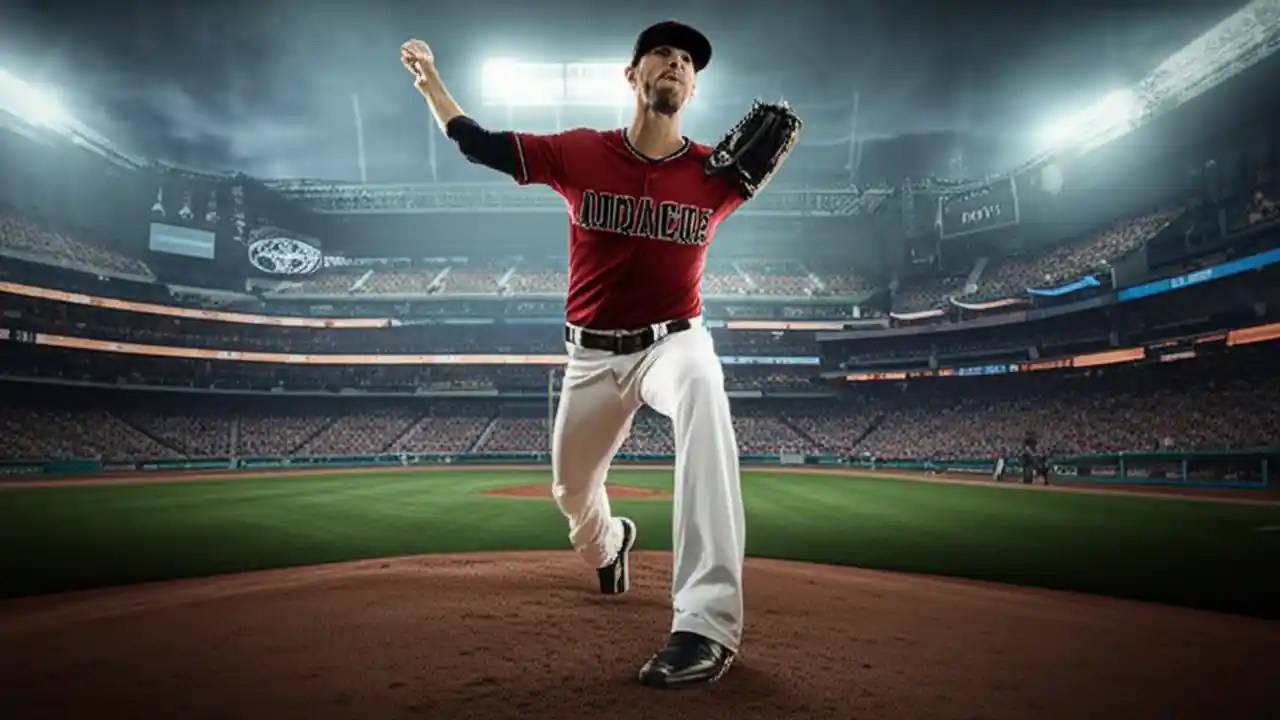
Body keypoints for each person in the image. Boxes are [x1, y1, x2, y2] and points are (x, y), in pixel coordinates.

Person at [401, 20, 786, 689]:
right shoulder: (580, 152)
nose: (676, 63)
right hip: (591, 359)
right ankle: (610, 544)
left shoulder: (715, 176)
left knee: (704, 386)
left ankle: (706, 624)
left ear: (695, 87)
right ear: (632, 75)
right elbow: (477, 142)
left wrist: (752, 179)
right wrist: (432, 82)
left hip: (674, 341)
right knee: (572, 492)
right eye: (661, 53)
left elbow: (754, 173)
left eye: (688, 60)